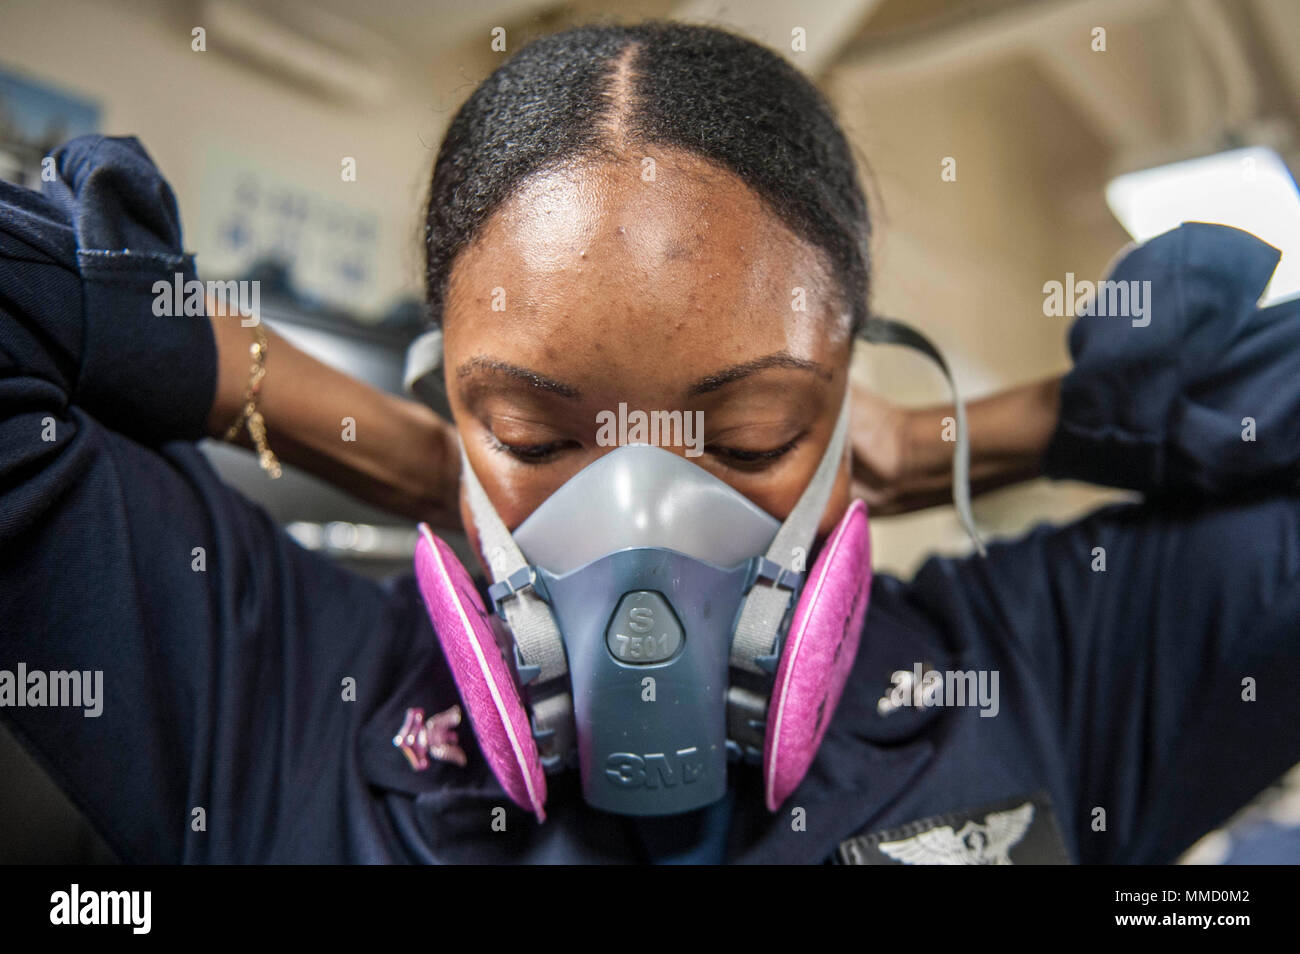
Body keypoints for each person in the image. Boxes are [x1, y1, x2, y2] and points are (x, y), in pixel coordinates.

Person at [1, 21, 1298, 865]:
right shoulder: (278, 691)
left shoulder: (1044, 669)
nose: (642, 508)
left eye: (748, 431)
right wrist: (408, 458)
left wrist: (976, 437)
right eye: (532, 425)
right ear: (454, 402)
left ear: (851, 404)